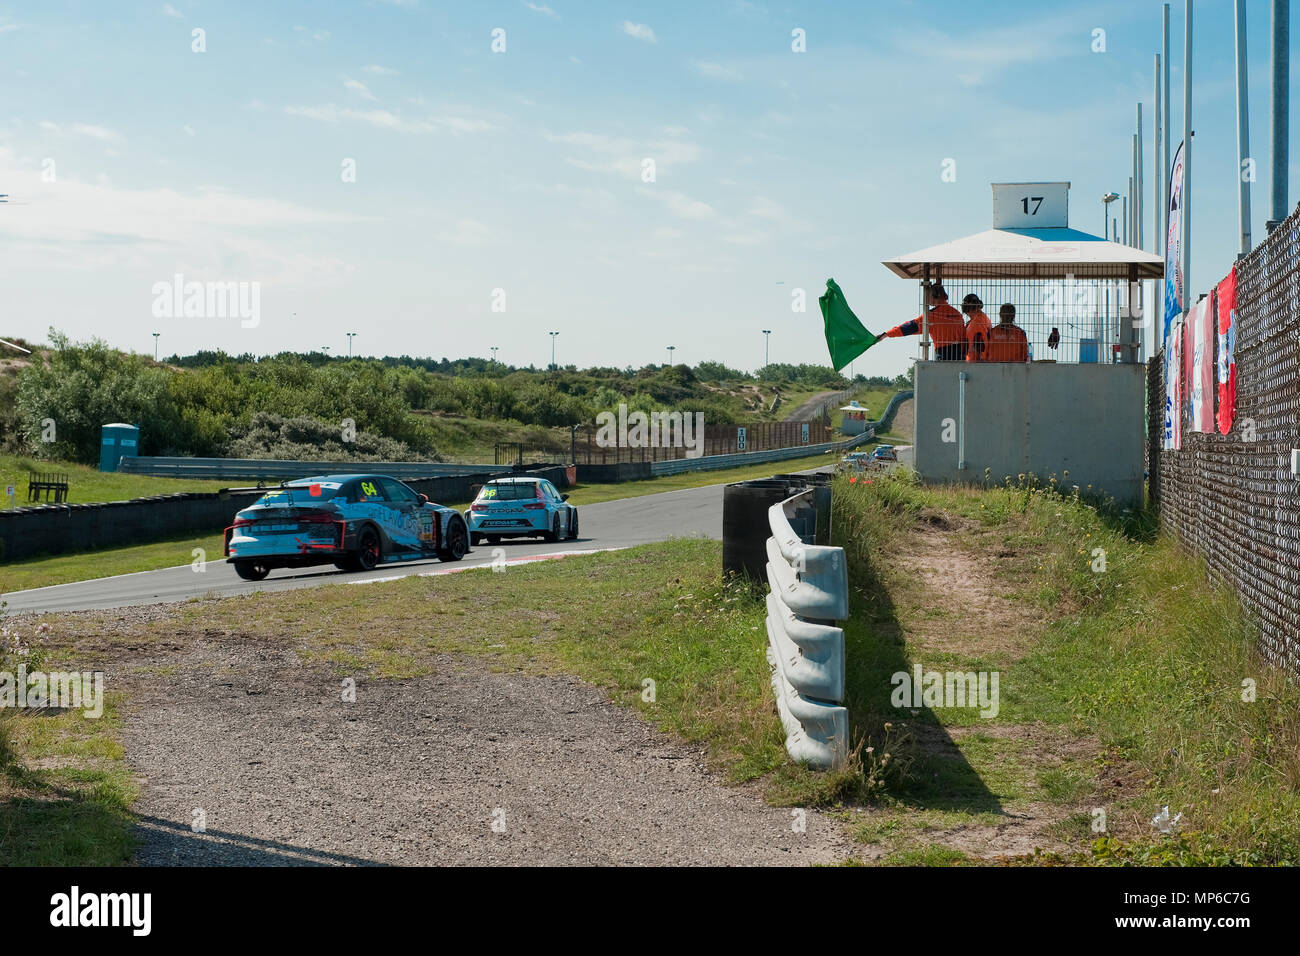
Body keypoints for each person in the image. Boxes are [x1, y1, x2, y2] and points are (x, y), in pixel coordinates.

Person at [883, 285, 966, 360]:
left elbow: (909, 327)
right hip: (961, 354)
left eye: (928, 295)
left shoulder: (931, 315)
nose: (926, 298)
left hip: (943, 354)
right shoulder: (957, 314)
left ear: (935, 296)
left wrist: (887, 334)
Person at [961, 294, 992, 363]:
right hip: (981, 359)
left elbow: (979, 344)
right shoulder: (984, 318)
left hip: (976, 361)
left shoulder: (976, 323)